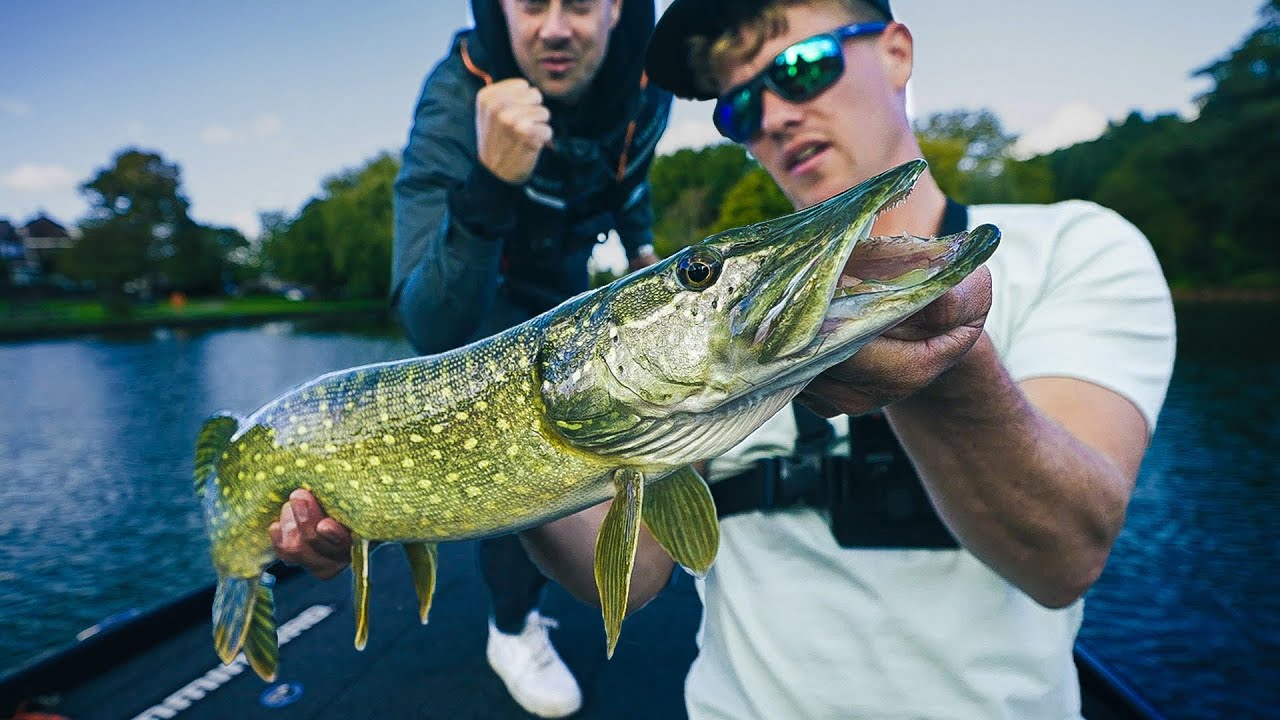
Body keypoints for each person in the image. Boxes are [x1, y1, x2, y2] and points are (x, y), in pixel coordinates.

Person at [279, 0, 1177, 718]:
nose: (776, 116)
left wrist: (940, 369)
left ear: (898, 51)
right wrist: (481, 475)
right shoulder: (722, 330)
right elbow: (628, 580)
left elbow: (1065, 555)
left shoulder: (1077, 247)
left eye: (800, 66)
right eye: (739, 104)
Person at [269, 1, 671, 717]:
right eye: (531, 3)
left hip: (567, 282)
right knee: (513, 443)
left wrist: (643, 251)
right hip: (480, 285)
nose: (553, 28)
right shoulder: (455, 94)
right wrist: (489, 181)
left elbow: (627, 179)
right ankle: (511, 627)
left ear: (616, 7)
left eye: (579, 2)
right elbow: (428, 319)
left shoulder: (649, 81)